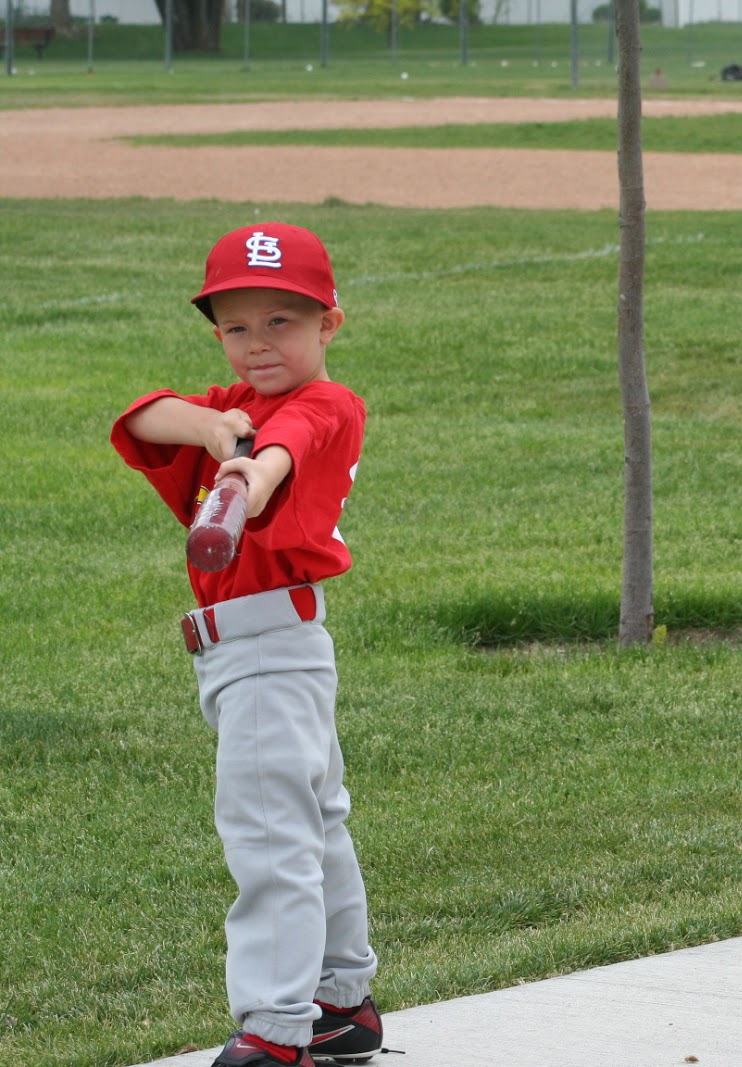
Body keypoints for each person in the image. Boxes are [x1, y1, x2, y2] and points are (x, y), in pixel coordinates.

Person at [112, 222, 384, 1065]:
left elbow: (282, 453)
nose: (257, 342)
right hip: (269, 644)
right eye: (236, 325)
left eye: (282, 321)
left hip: (268, 644)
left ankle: (274, 1029)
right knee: (315, 823)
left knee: (269, 835)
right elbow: (142, 417)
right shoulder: (237, 407)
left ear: (329, 322)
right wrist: (209, 428)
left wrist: (244, 474)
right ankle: (343, 1003)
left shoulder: (322, 405)